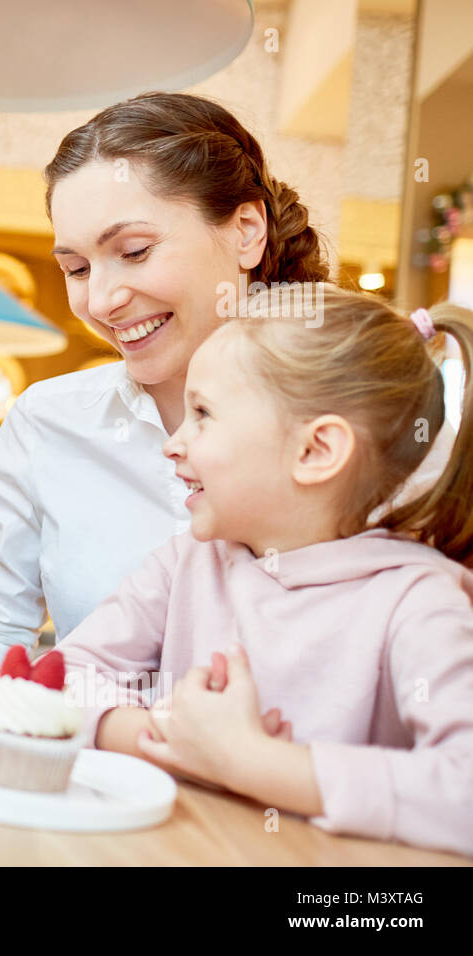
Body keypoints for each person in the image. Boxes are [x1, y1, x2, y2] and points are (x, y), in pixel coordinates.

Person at [0, 91, 454, 696]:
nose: (101, 300)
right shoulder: (49, 421)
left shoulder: (382, 424)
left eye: (134, 252)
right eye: (77, 269)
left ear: (247, 231)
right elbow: (5, 647)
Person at [56, 286, 473, 855]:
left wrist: (252, 762)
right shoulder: (190, 561)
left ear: (316, 450)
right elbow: (60, 675)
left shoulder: (420, 600)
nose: (173, 444)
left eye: (203, 414)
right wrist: (178, 740)